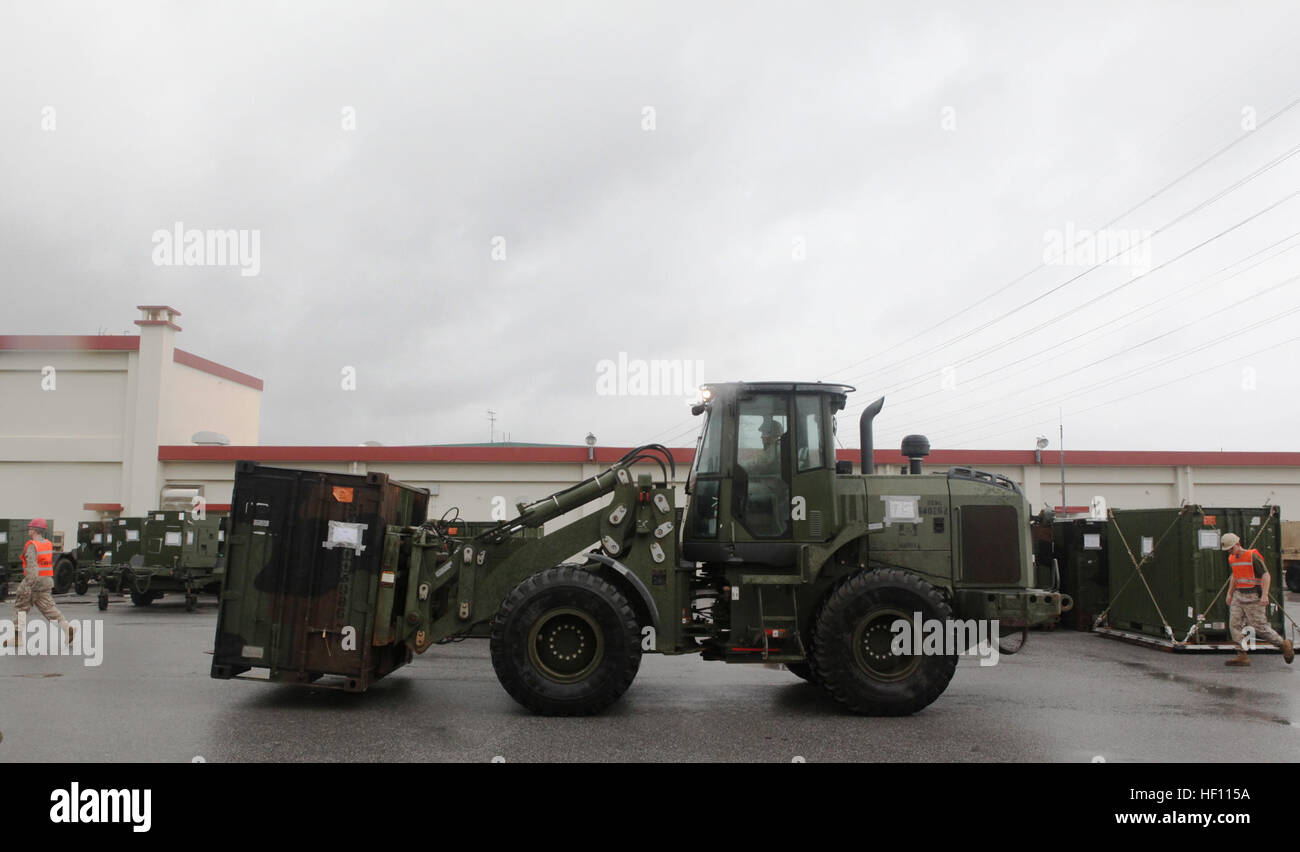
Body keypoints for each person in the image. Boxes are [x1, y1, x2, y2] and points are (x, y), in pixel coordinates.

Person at [2, 519, 75, 649]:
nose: (28, 530)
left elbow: (32, 567)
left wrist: (27, 586)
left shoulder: (32, 545)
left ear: (35, 530)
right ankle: (66, 627)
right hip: (46, 580)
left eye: (30, 528)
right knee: (49, 608)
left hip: (34, 581)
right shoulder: (47, 544)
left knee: (20, 608)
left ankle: (18, 638)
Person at [1222, 532, 1292, 666]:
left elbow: (1266, 576)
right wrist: (1229, 593)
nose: (1230, 552)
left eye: (1231, 548)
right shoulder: (1232, 558)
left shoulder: (1252, 556)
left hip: (1254, 596)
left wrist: (1265, 595)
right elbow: (1235, 576)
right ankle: (1242, 654)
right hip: (1238, 596)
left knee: (1259, 627)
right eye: (1228, 550)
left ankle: (1283, 644)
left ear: (1238, 544)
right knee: (1234, 625)